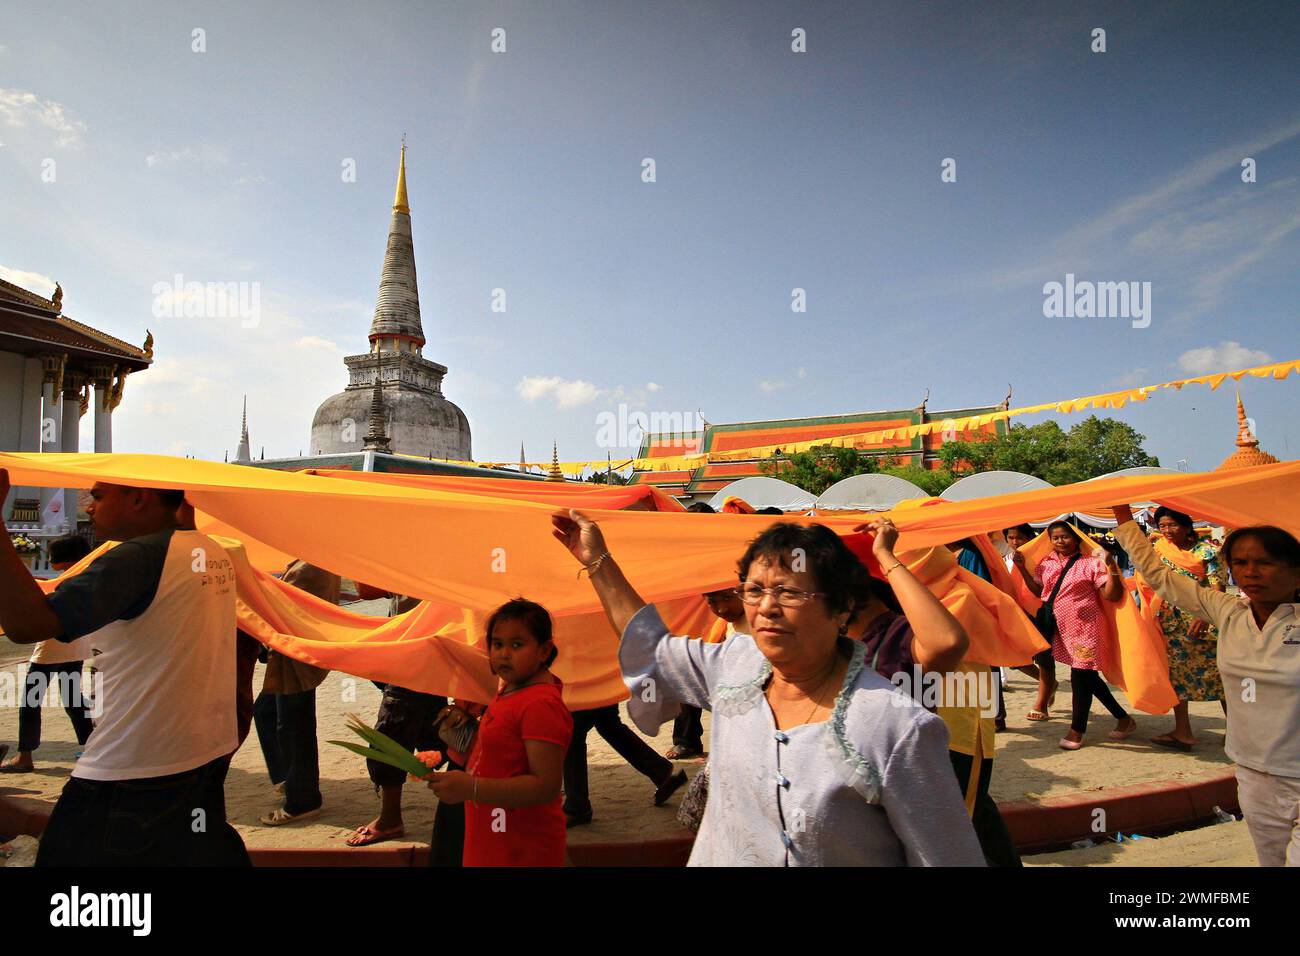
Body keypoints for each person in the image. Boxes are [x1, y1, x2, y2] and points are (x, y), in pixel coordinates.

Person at [552, 509, 985, 865]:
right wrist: (597, 561)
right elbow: (653, 647)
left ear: (841, 608)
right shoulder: (733, 667)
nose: (766, 608)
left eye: (789, 592)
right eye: (754, 591)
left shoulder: (896, 726)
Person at [0, 470, 248, 866]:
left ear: (139, 498)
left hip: (132, 767)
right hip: (202, 750)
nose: (88, 506)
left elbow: (27, 625)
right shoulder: (209, 550)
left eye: (98, 495)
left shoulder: (140, 557)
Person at [1112, 505, 1300, 867]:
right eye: (1240, 563)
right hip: (1253, 774)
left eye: (1264, 562)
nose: (1250, 573)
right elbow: (1160, 576)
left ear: (1296, 572)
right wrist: (1122, 516)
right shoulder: (1229, 612)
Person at [422, 599, 573, 867]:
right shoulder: (512, 689)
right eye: (497, 644)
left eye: (517, 645)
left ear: (544, 650)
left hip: (519, 846)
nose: (504, 654)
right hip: (493, 838)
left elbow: (546, 786)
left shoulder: (540, 704)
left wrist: (473, 788)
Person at [1011, 520, 1134, 750]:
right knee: (1088, 678)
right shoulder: (1045, 563)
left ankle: (1077, 730)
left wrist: (1112, 567)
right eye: (1055, 538)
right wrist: (1021, 570)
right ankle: (1124, 719)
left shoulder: (1091, 564)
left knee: (1079, 677)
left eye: (1065, 537)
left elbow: (1112, 595)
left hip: (1086, 629)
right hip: (1060, 628)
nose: (1060, 541)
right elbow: (1041, 591)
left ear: (1077, 538)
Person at [346, 586, 446, 847]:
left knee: (391, 729)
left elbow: (365, 589)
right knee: (435, 726)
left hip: (415, 648)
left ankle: (390, 819)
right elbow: (367, 590)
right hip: (427, 644)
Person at [1, 535, 95, 774]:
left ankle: (25, 756)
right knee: (73, 699)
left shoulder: (62, 583)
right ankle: (91, 746)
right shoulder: (85, 577)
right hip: (77, 646)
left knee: (31, 702)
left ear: (60, 560)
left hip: (50, 650)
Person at [254, 559, 336, 826]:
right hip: (294, 655)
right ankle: (288, 779)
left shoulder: (309, 567)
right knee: (267, 712)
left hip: (295, 658)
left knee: (292, 727)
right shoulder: (310, 560)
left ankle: (302, 800)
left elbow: (286, 610)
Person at [1143, 507, 1227, 751]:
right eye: (1163, 526)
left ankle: (1236, 729)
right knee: (1176, 678)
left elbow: (1217, 590)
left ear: (1188, 527)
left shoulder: (1208, 551)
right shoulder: (1160, 551)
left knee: (1220, 677)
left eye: (1172, 525)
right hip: (1171, 622)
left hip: (1203, 623)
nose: (1167, 531)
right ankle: (1183, 732)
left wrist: (1204, 615)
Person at [1004, 523, 1056, 721]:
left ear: (1029, 539)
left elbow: (1040, 589)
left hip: (1039, 613)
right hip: (1017, 614)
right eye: (1011, 538)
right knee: (1016, 660)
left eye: (1019, 538)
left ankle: (1041, 705)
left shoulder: (1039, 559)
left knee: (1044, 660)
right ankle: (1050, 685)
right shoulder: (1005, 558)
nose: (1015, 542)